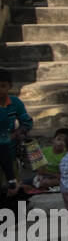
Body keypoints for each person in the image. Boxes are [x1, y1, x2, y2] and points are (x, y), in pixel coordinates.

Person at [0, 68, 34, 197]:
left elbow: (27, 122)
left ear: (9, 86)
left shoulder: (15, 103)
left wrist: (17, 134)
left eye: (3, 86)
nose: (0, 90)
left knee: (12, 184)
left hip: (11, 149)